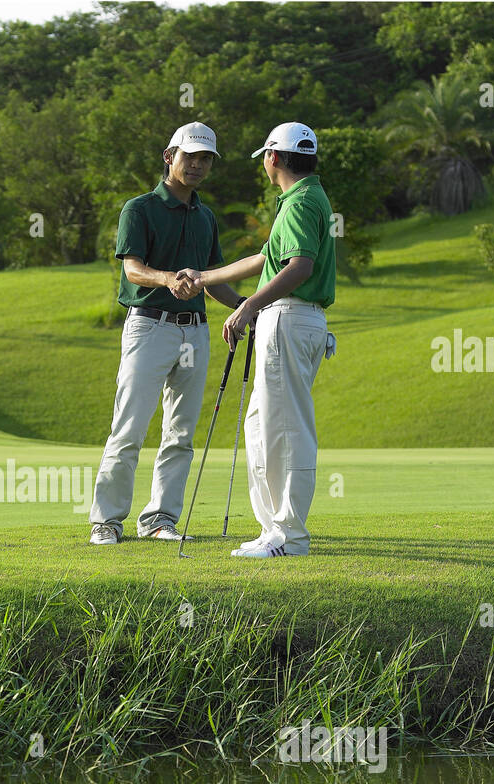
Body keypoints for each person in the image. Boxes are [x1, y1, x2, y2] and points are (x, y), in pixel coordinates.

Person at [177, 121, 336, 559]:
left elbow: (299, 267)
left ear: (273, 158)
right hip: (290, 318)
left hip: (289, 316)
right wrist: (205, 276)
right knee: (263, 427)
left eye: (265, 158)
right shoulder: (301, 200)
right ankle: (272, 530)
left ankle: (289, 537)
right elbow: (265, 259)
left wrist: (248, 307)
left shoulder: (302, 202)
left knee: (285, 430)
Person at [89, 122, 246, 545]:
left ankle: (160, 518)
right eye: (189, 156)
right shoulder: (139, 208)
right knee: (129, 429)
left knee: (180, 434)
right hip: (149, 325)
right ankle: (107, 520)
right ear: (169, 156)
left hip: (194, 332)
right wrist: (167, 279)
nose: (197, 165)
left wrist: (247, 306)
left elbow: (214, 280)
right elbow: (133, 268)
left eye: (205, 159)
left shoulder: (206, 216)